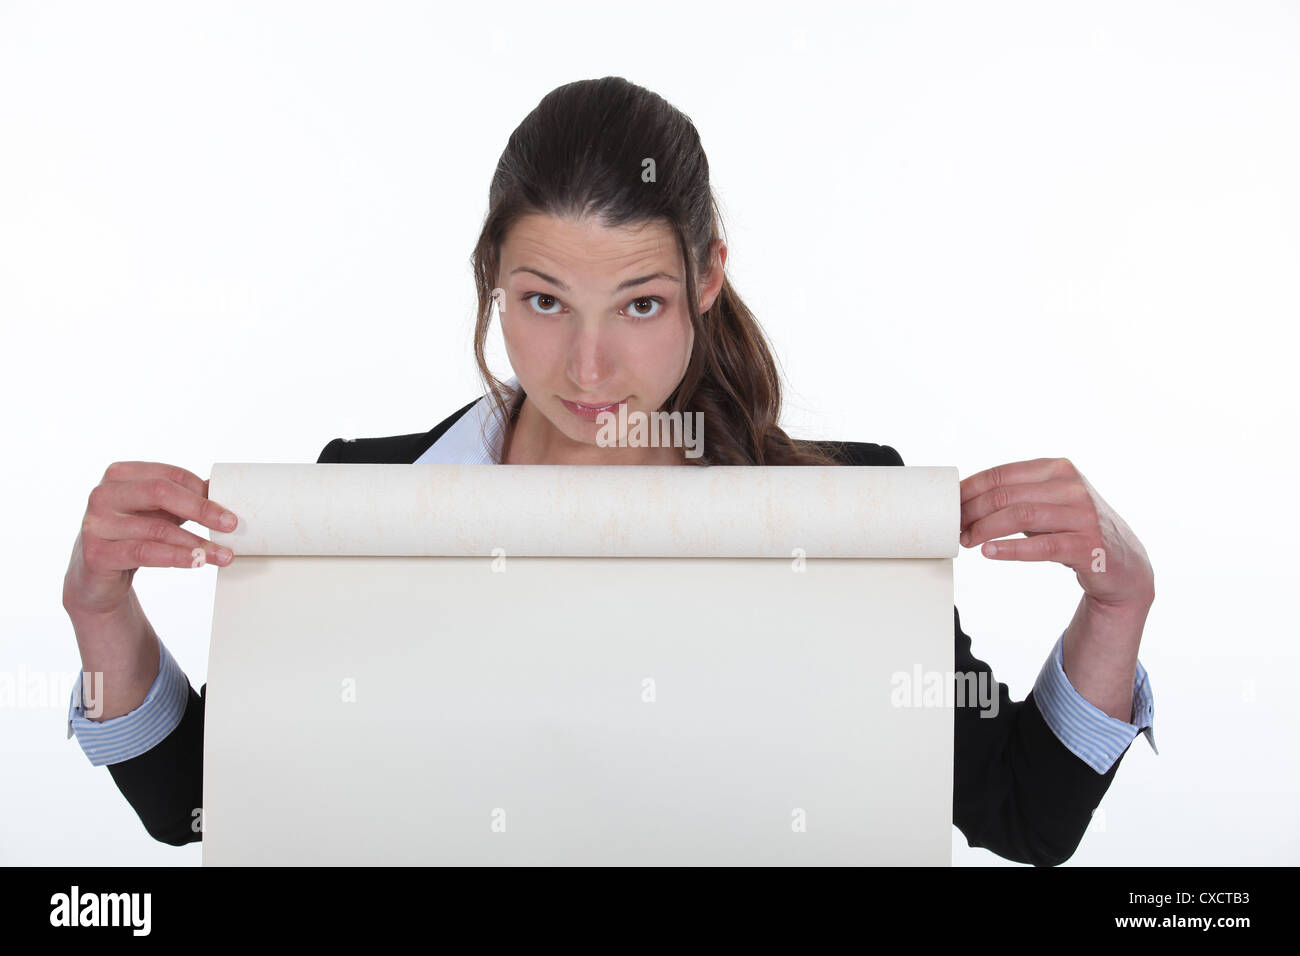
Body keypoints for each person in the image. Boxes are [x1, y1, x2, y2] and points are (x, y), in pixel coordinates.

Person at [62, 76, 1157, 866]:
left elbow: (1023, 813)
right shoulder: (360, 496)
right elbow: (208, 806)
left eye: (639, 303)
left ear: (708, 274)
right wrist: (101, 610)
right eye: (543, 301)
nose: (589, 369)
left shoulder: (842, 516)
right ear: (492, 277)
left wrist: (1118, 600)